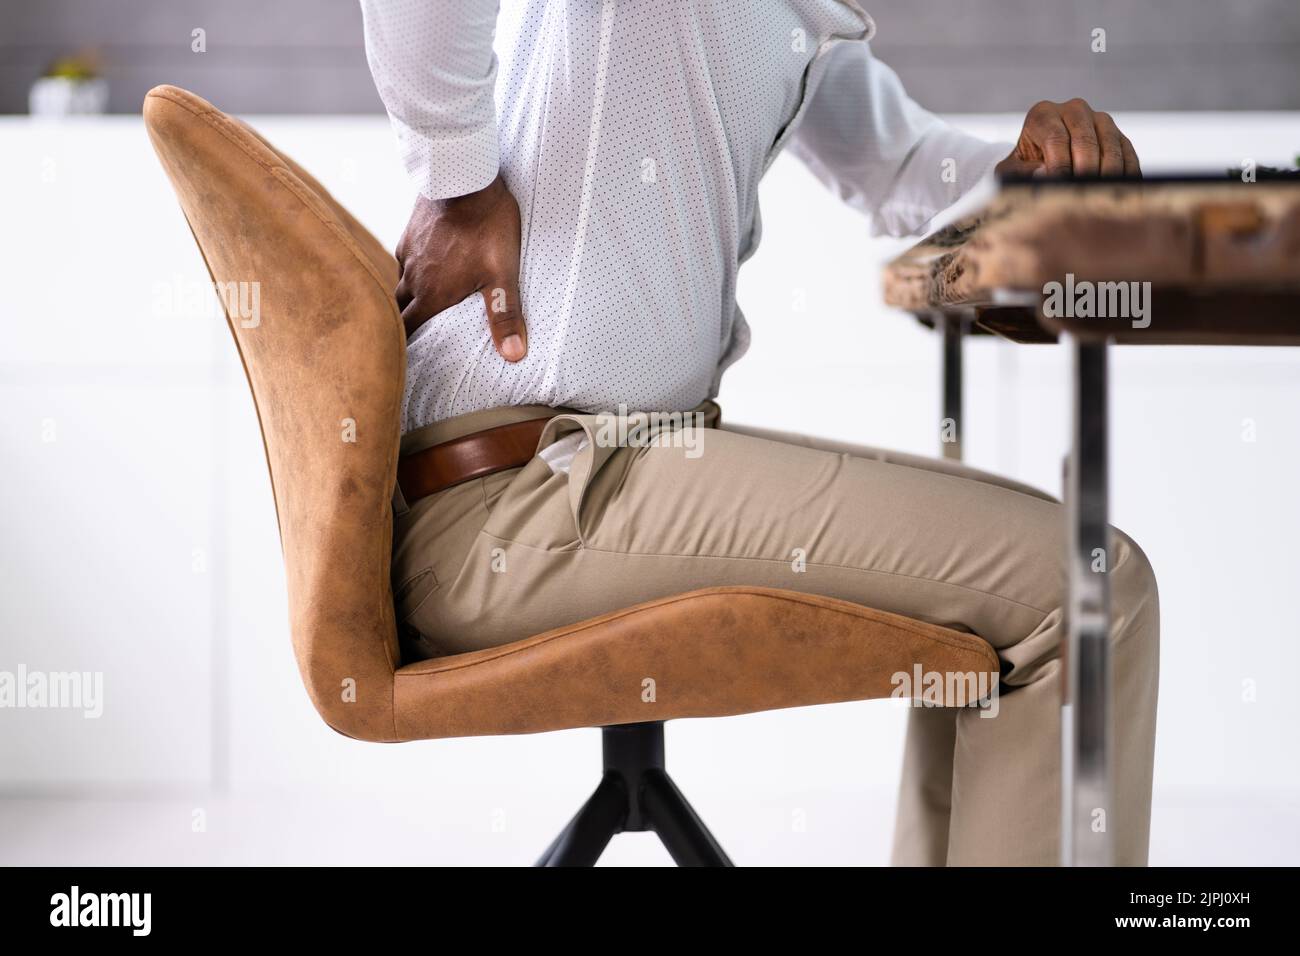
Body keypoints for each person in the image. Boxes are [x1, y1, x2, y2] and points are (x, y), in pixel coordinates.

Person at [360, 0, 1157, 866]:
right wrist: (458, 178)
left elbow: (898, 164)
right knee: (1084, 591)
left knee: (1029, 594)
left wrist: (1024, 182)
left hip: (587, 476)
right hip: (524, 497)